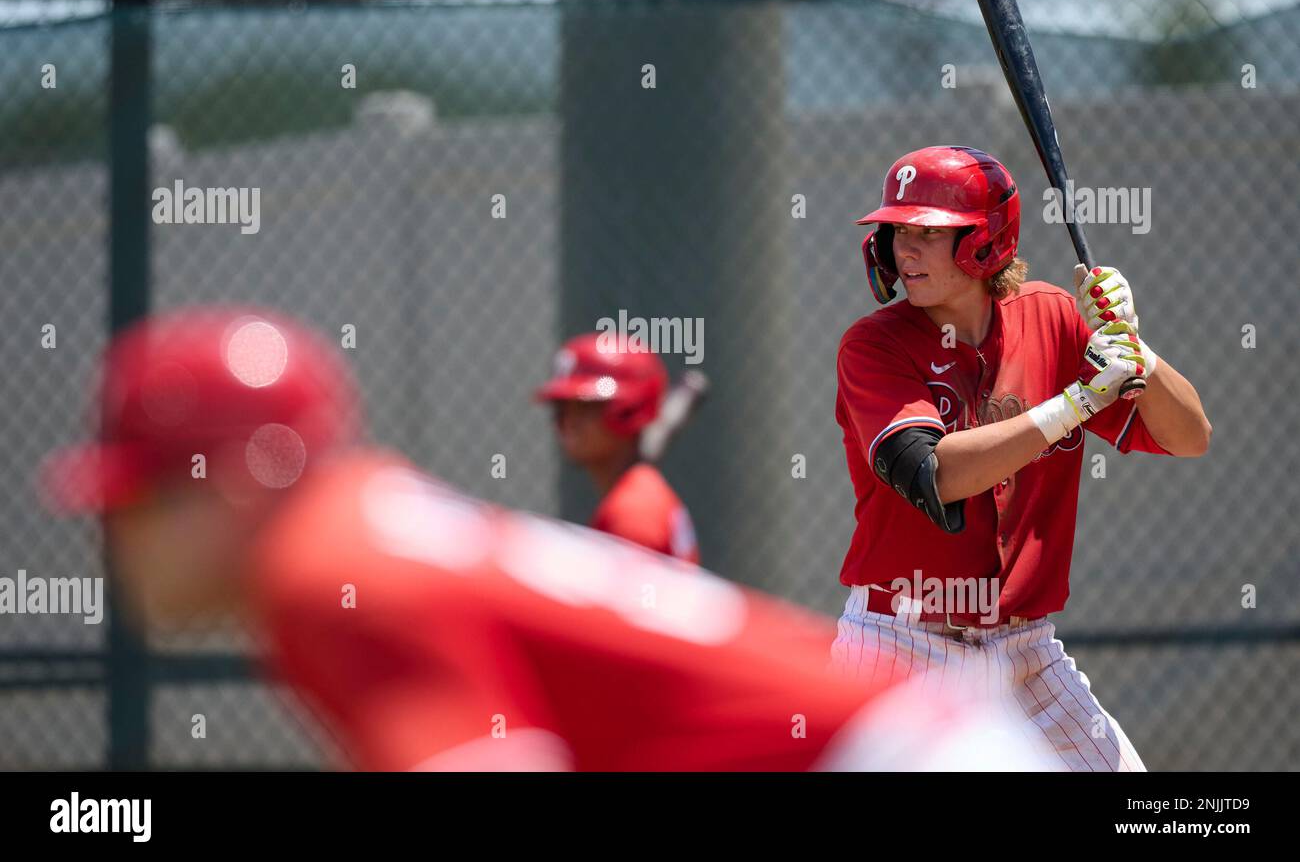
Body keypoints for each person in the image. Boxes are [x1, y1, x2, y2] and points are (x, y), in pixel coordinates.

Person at [41, 306, 1049, 771]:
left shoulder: (325, 576)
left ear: (229, 485)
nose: (122, 539)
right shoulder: (360, 530)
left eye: (143, 499)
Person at [833, 146, 1212, 771]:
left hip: (1024, 649)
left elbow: (1189, 435)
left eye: (931, 232)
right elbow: (937, 474)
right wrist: (1075, 404)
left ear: (985, 241)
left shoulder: (1052, 318)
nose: (906, 249)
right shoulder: (873, 346)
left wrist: (1137, 349)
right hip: (902, 644)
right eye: (899, 230)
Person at [535, 333, 698, 563]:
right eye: (561, 409)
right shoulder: (636, 496)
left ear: (628, 410)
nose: (568, 423)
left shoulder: (632, 515)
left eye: (583, 407)